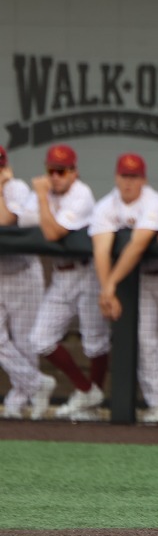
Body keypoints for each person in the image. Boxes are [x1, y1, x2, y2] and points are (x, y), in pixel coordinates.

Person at [88, 153, 158, 424]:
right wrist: (108, 290)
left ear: (144, 179)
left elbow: (138, 244)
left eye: (134, 176)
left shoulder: (152, 200)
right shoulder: (107, 205)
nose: (129, 182)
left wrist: (110, 287)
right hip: (140, 279)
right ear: (116, 177)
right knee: (145, 340)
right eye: (124, 176)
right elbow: (101, 249)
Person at [26, 144, 102, 420]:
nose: (56, 176)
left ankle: (90, 407)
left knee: (95, 342)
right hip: (61, 274)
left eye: (62, 171)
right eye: (51, 171)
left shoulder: (81, 194)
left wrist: (42, 199)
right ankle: (86, 391)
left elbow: (54, 232)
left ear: (74, 173)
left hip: (88, 272)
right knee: (40, 339)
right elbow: (17, 218)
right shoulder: (44, 192)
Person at [0, 145, 55, 419]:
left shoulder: (17, 188)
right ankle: (36, 384)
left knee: (25, 342)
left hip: (23, 272)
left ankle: (18, 401)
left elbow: (6, 219)